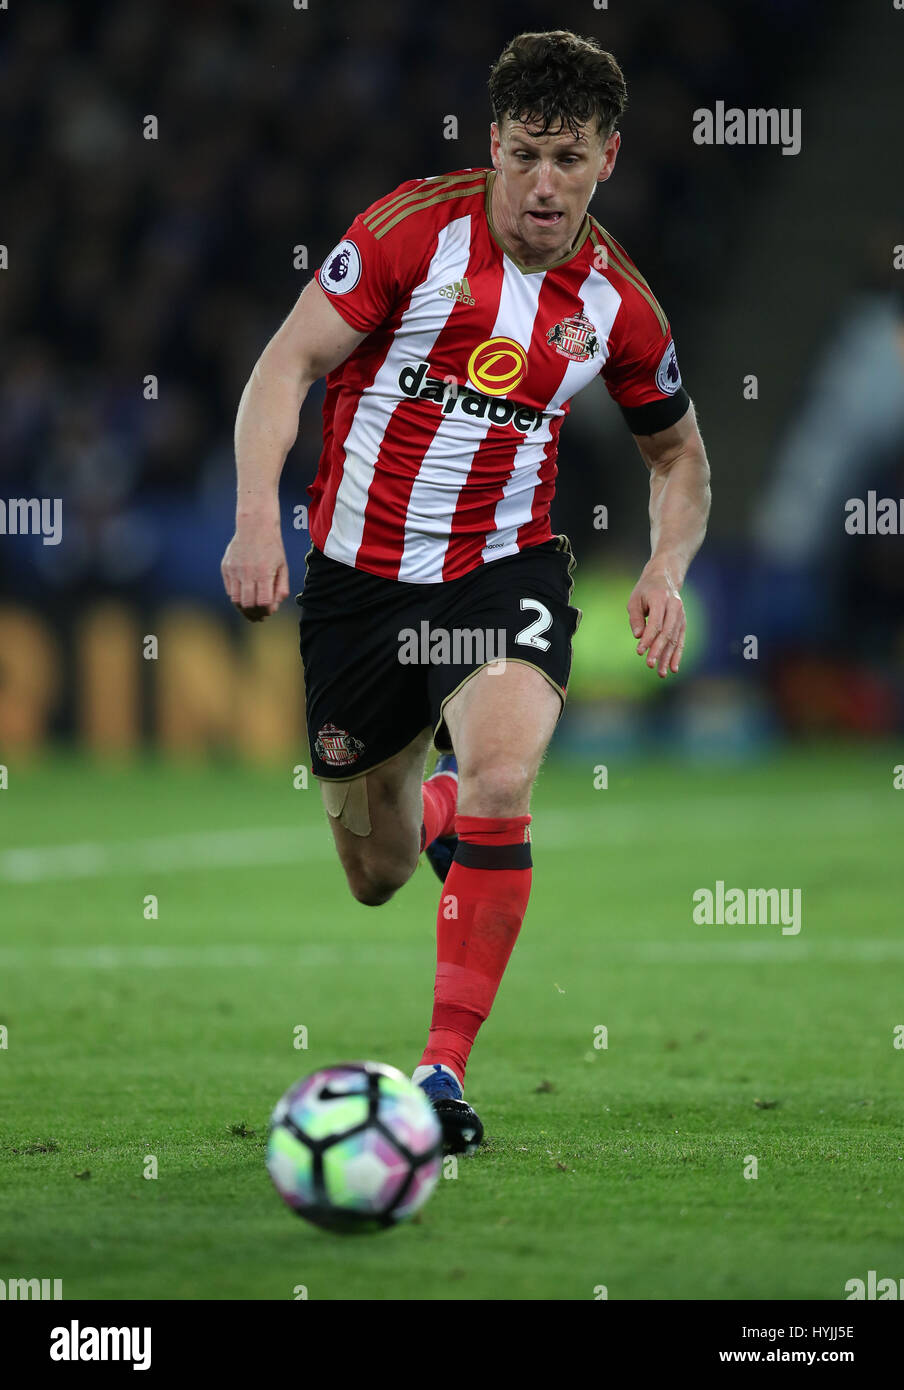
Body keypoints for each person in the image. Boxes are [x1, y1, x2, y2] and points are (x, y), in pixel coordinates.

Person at [221, 29, 712, 1152]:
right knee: (378, 872)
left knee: (499, 775)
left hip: (503, 568)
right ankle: (426, 808)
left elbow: (678, 453)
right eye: (527, 153)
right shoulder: (407, 234)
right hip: (356, 584)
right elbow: (285, 365)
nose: (546, 183)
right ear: (492, 143)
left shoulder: (617, 305)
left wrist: (664, 563)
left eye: (571, 158)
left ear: (609, 160)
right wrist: (256, 515)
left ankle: (440, 1073)